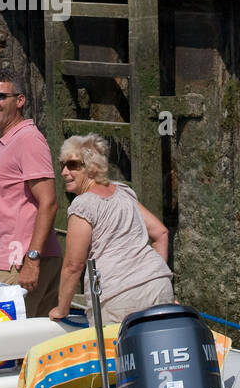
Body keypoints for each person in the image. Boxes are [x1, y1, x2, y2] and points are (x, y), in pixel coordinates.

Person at [0, 67, 61, 318]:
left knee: (6, 347)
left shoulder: (27, 139)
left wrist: (33, 260)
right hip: (12, 257)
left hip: (20, 263)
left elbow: (48, 202)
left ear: (20, 101)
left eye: (0, 96)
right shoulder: (8, 141)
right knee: (25, 348)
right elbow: (17, 205)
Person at [49, 133, 173, 323]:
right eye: (62, 165)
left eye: (73, 165)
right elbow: (161, 233)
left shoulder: (82, 205)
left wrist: (62, 308)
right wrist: (153, 275)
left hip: (117, 297)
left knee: (115, 353)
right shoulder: (124, 192)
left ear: (92, 168)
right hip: (158, 286)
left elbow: (73, 266)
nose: (64, 172)